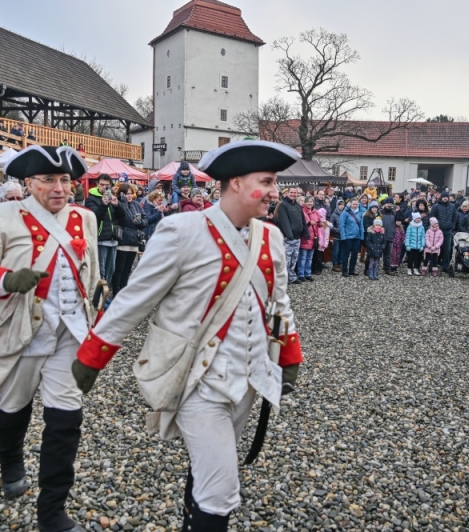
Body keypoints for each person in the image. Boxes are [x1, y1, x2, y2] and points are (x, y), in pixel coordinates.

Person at [72, 140, 303, 532]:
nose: (275, 191)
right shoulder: (182, 230)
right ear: (235, 183)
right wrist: (93, 355)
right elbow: (135, 299)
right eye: (267, 181)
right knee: (221, 489)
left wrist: (290, 356)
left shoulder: (271, 237)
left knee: (211, 466)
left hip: (248, 379)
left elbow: (278, 304)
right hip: (196, 379)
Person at [0, 145, 99, 532]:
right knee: (12, 408)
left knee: (67, 417)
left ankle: (52, 512)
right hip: (19, 333)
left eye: (64, 179)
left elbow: (92, 273)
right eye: (48, 179)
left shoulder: (86, 217)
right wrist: (4, 280)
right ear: (28, 183)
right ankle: (11, 460)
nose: (59, 188)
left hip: (70, 333)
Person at [84, 173, 126, 286]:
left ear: (111, 186)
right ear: (97, 184)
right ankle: (98, 298)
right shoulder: (91, 199)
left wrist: (117, 205)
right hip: (99, 239)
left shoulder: (113, 198)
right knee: (100, 271)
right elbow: (94, 218)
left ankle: (105, 296)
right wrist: (103, 204)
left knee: (110, 271)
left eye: (107, 185)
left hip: (113, 239)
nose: (104, 187)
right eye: (101, 184)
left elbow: (123, 217)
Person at [112, 184, 146, 294]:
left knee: (127, 270)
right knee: (119, 269)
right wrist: (124, 202)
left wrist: (140, 222)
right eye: (127, 194)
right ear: (122, 194)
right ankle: (117, 291)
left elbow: (145, 218)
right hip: (123, 240)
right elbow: (124, 219)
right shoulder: (119, 204)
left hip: (134, 241)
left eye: (131, 193)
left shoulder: (136, 204)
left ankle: (123, 290)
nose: (129, 196)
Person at [274, 186, 306, 284]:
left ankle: (291, 277)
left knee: (294, 259)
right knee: (286, 259)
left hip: (297, 237)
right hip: (288, 237)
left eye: (295, 193)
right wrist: (289, 235)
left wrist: (306, 232)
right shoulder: (283, 205)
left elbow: (302, 219)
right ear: (287, 193)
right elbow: (284, 221)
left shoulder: (297, 205)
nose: (293, 194)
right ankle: (284, 278)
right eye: (291, 192)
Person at [430, 191, 458, 275]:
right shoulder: (436, 206)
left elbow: (455, 217)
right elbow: (432, 217)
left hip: (448, 231)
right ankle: (432, 264)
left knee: (447, 249)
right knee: (435, 248)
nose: (445, 198)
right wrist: (434, 227)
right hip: (437, 231)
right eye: (444, 197)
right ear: (441, 197)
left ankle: (445, 265)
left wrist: (453, 227)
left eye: (446, 197)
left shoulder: (452, 207)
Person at [339, 198, 363, 277]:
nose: (355, 206)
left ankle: (352, 270)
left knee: (355, 255)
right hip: (348, 237)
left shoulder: (359, 213)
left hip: (357, 237)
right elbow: (342, 225)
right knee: (346, 254)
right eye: (353, 204)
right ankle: (344, 270)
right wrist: (343, 236)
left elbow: (361, 225)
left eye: (356, 204)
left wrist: (361, 235)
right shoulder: (345, 213)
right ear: (350, 204)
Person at [297, 196, 319, 282]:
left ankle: (308, 273)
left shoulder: (315, 212)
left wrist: (320, 223)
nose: (310, 203)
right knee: (303, 257)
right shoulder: (302, 211)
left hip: (314, 236)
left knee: (310, 257)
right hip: (305, 237)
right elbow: (301, 222)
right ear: (305, 203)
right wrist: (309, 223)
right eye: (308, 202)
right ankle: (301, 274)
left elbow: (318, 220)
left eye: (311, 202)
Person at [329, 199, 344, 272]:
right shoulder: (334, 214)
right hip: (336, 236)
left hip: (343, 236)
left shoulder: (345, 213)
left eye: (342, 204)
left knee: (341, 251)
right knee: (336, 251)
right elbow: (331, 226)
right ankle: (334, 265)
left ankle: (339, 264)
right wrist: (338, 230)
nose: (341, 206)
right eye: (340, 204)